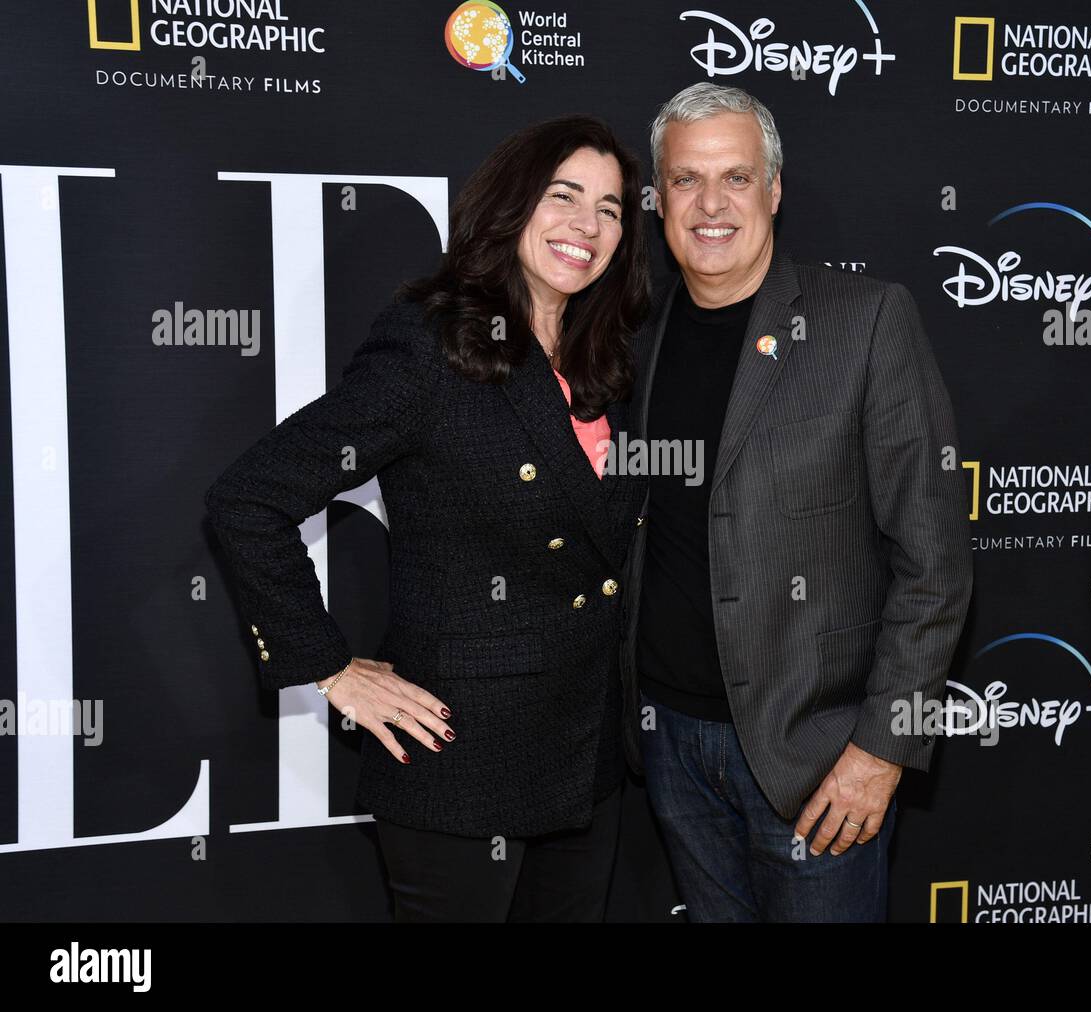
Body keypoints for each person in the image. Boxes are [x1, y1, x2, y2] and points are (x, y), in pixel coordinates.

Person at [204, 115, 650, 922]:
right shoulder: (432, 348)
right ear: (512, 205)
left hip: (589, 760)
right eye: (565, 195)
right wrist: (331, 667)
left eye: (613, 208)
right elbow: (250, 500)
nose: (588, 225)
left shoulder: (606, 362)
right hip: (459, 764)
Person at [618, 83, 973, 922]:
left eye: (736, 178)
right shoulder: (635, 340)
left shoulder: (866, 321)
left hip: (818, 756)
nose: (711, 205)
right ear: (658, 197)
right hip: (670, 743)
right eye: (686, 180)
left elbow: (936, 561)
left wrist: (881, 751)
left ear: (774, 191)